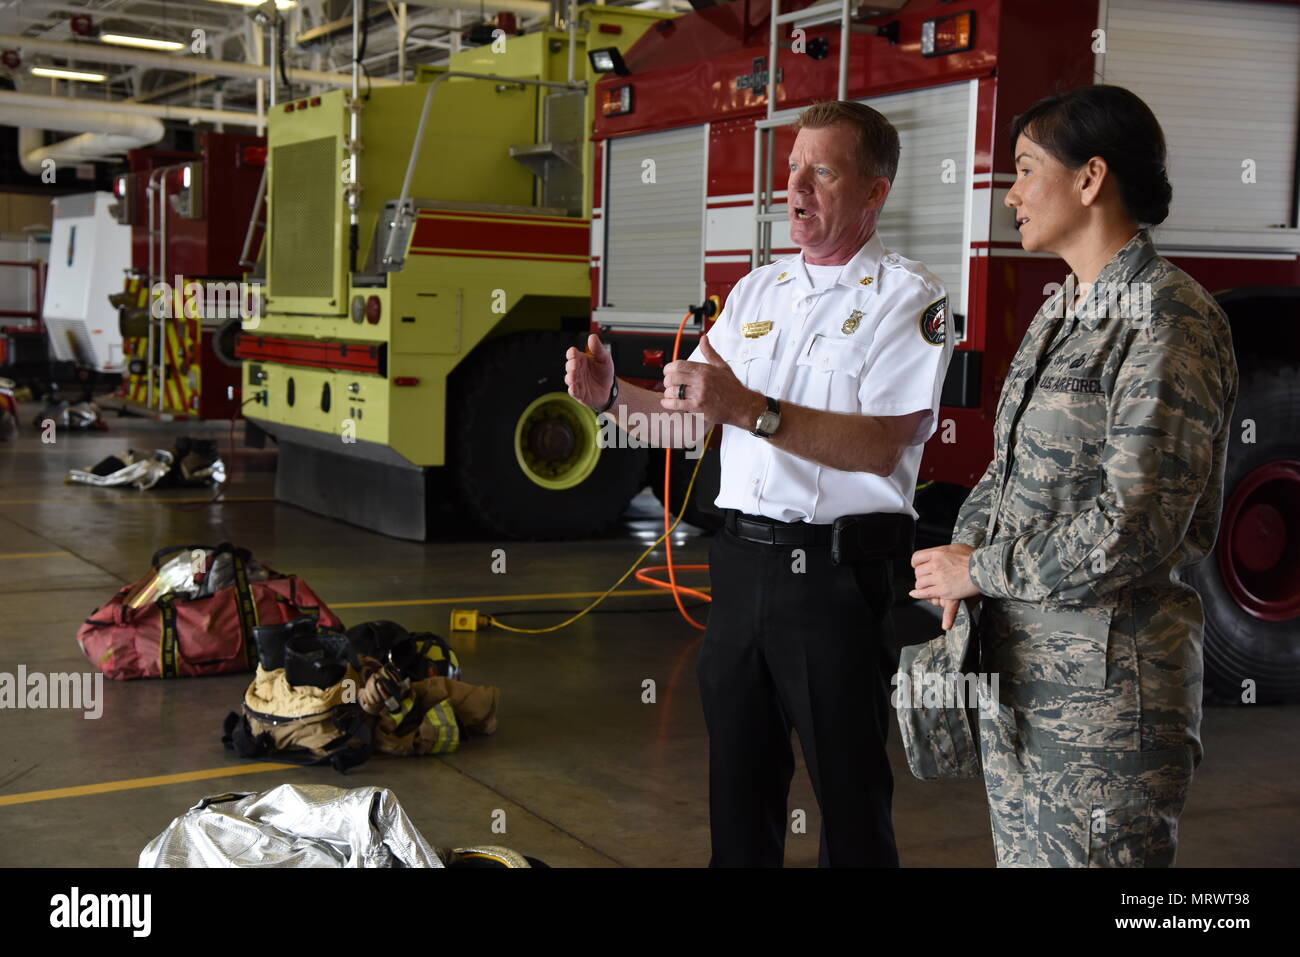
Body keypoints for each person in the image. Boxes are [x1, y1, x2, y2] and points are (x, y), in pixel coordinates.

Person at [566, 101, 954, 866]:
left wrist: (747, 406)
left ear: (874, 193)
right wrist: (613, 398)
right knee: (738, 794)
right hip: (741, 570)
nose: (795, 187)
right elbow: (690, 420)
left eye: (822, 171)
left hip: (839, 580)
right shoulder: (756, 293)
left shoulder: (909, 299)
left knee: (851, 799)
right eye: (791, 169)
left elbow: (881, 446)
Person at [909, 85, 1238, 867]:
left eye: (1025, 169)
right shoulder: (1061, 311)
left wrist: (980, 568)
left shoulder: (1168, 320)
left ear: (1090, 179)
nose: (1012, 195)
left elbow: (1134, 526)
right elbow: (1005, 469)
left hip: (1104, 711)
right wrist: (959, 567)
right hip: (1024, 688)